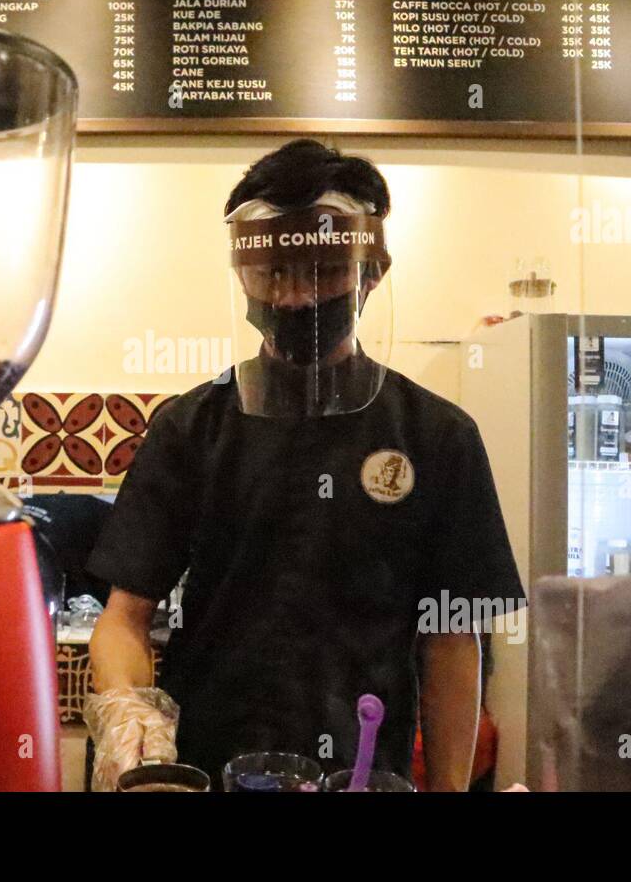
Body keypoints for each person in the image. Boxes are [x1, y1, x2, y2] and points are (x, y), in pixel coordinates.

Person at [84, 139, 525, 791]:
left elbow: (453, 642)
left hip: (365, 772)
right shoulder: (189, 429)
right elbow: (124, 618)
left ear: (371, 272)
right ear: (244, 274)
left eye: (321, 269)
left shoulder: (439, 438)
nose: (294, 296)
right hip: (208, 769)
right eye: (274, 271)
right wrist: (132, 733)